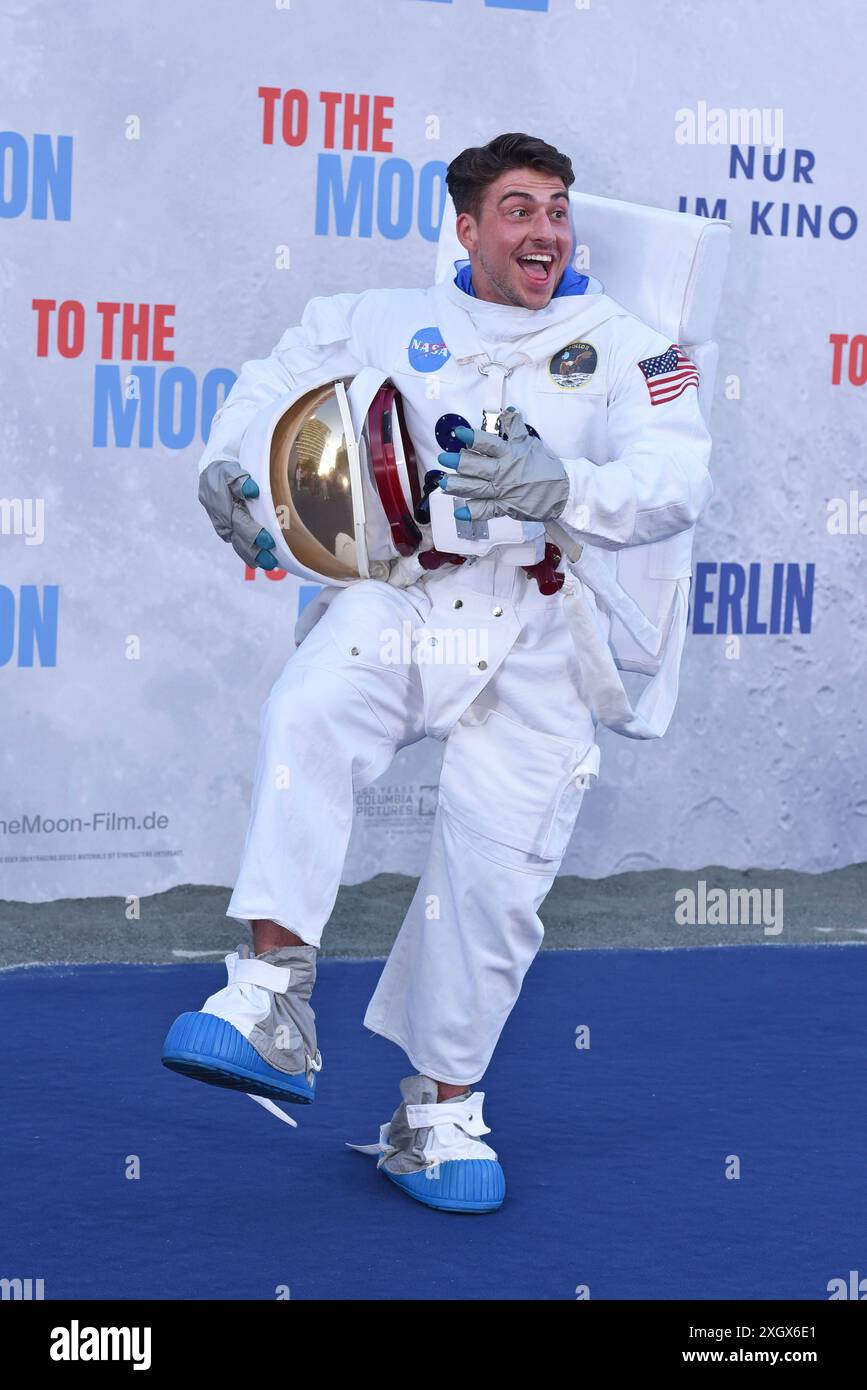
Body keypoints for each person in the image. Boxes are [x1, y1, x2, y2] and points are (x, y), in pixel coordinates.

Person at [162, 132, 713, 1214]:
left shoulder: (627, 348)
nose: (545, 230)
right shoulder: (381, 318)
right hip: (413, 592)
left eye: (557, 208)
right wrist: (225, 461)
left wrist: (566, 485)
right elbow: (273, 377)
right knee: (310, 708)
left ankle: (436, 1112)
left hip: (546, 622)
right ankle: (272, 995)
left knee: (496, 883)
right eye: (518, 209)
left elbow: (674, 477)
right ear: (465, 227)